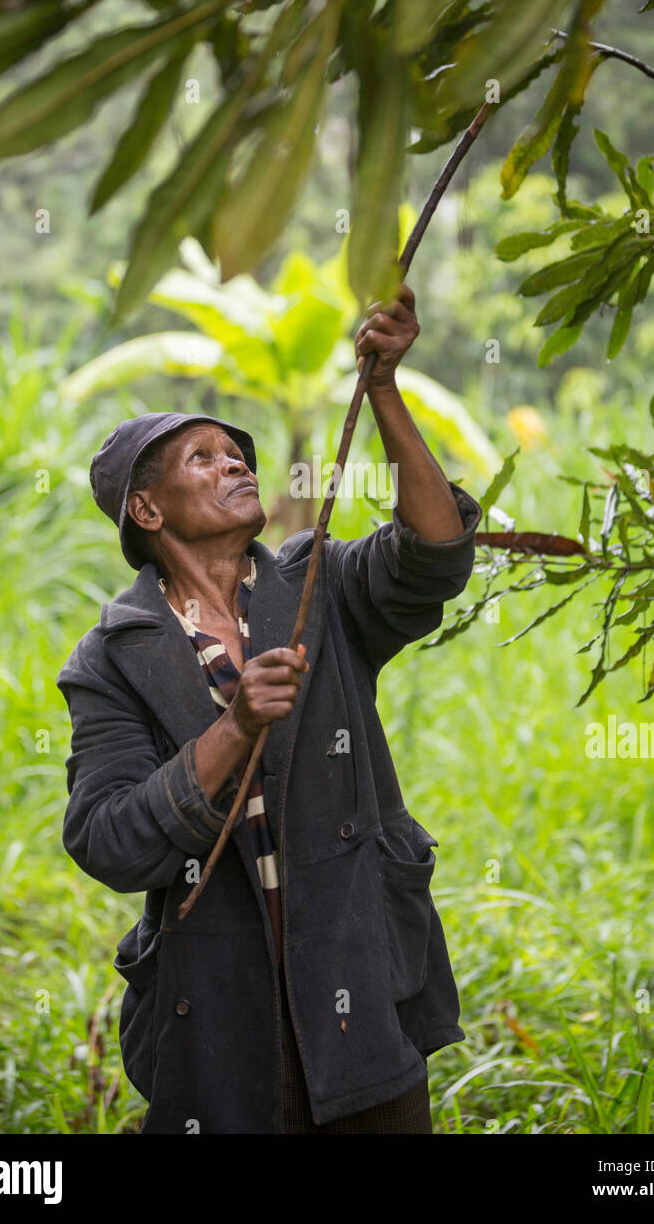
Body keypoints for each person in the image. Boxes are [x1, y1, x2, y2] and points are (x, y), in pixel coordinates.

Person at [57, 284, 482, 1133]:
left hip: (360, 974)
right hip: (215, 1011)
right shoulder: (112, 660)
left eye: (236, 453)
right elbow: (107, 839)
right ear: (147, 510)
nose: (236, 464)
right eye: (204, 460)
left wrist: (386, 390)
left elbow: (434, 554)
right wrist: (237, 725)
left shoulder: (316, 583)